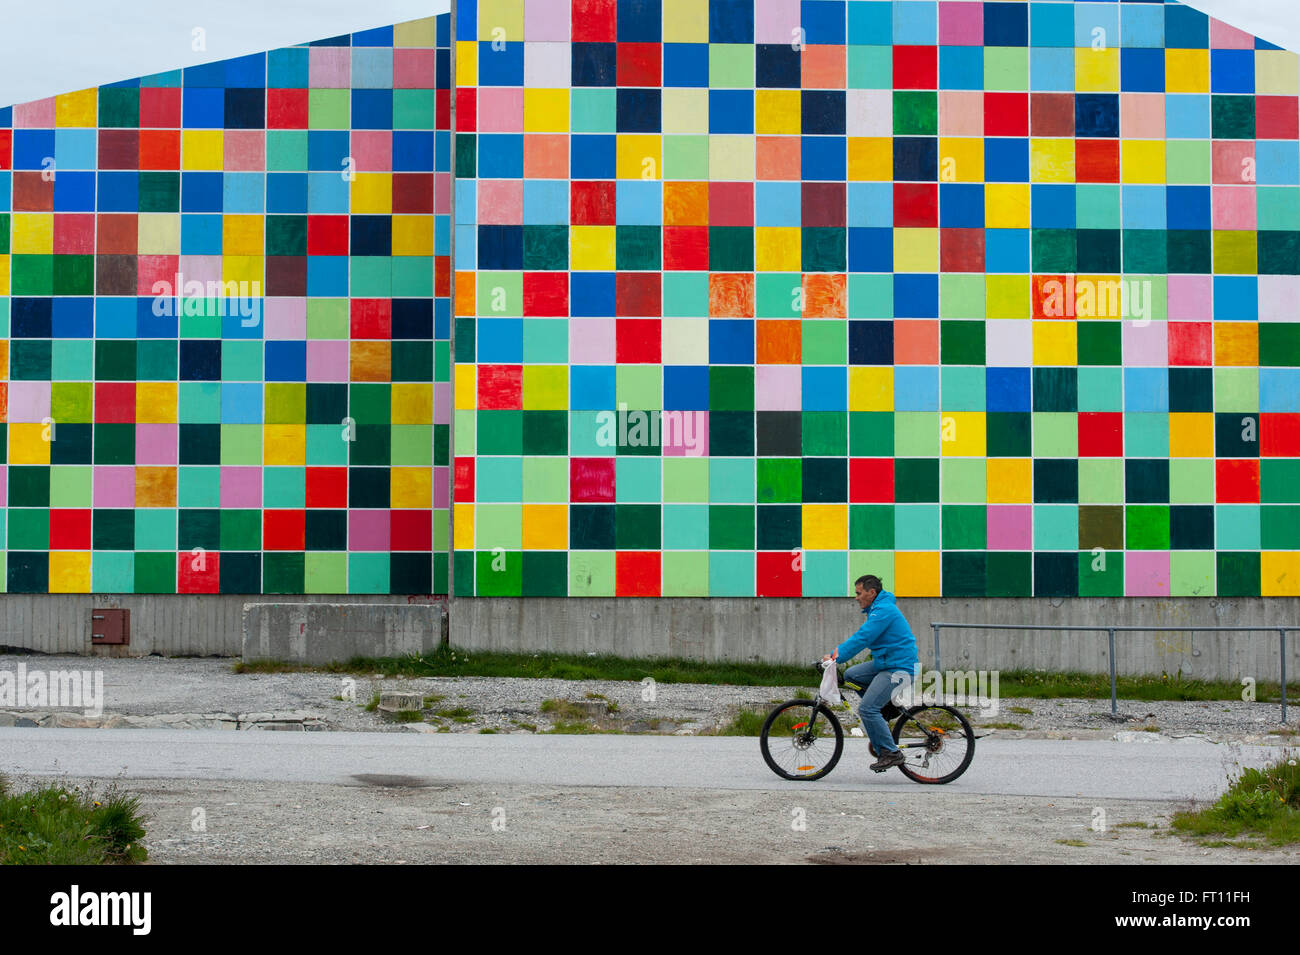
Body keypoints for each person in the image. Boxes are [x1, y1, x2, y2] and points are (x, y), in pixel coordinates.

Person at [822, 574, 919, 772]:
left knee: (867, 709)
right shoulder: (877, 609)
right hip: (885, 663)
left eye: (859, 593)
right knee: (851, 675)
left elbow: (863, 637)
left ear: (871, 592)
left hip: (898, 668)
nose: (856, 597)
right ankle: (884, 711)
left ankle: (891, 753)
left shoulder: (884, 611)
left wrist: (834, 657)